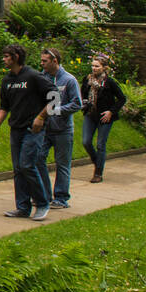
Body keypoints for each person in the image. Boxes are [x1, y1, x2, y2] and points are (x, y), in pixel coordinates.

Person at [0, 44, 57, 221]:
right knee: (18, 169)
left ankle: (42, 203)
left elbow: (55, 96)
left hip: (32, 130)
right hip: (16, 129)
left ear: (16, 57)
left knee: (27, 165)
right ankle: (23, 207)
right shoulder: (7, 80)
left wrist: (41, 117)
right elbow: (5, 107)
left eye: (6, 56)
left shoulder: (33, 76)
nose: (3, 59)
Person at [36, 48, 82, 209]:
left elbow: (77, 103)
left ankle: (61, 198)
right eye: (41, 61)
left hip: (63, 129)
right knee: (38, 158)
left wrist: (56, 111)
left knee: (62, 164)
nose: (42, 64)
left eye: (45, 61)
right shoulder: (42, 78)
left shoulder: (69, 80)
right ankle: (45, 194)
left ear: (55, 61)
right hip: (45, 129)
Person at [80, 53, 126, 183]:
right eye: (93, 66)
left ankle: (98, 173)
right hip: (90, 114)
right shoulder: (87, 80)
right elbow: (83, 93)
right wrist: (84, 103)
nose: (94, 68)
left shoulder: (109, 82)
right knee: (86, 141)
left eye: (97, 66)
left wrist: (111, 112)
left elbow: (122, 99)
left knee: (101, 144)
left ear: (104, 68)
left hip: (104, 117)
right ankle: (97, 161)